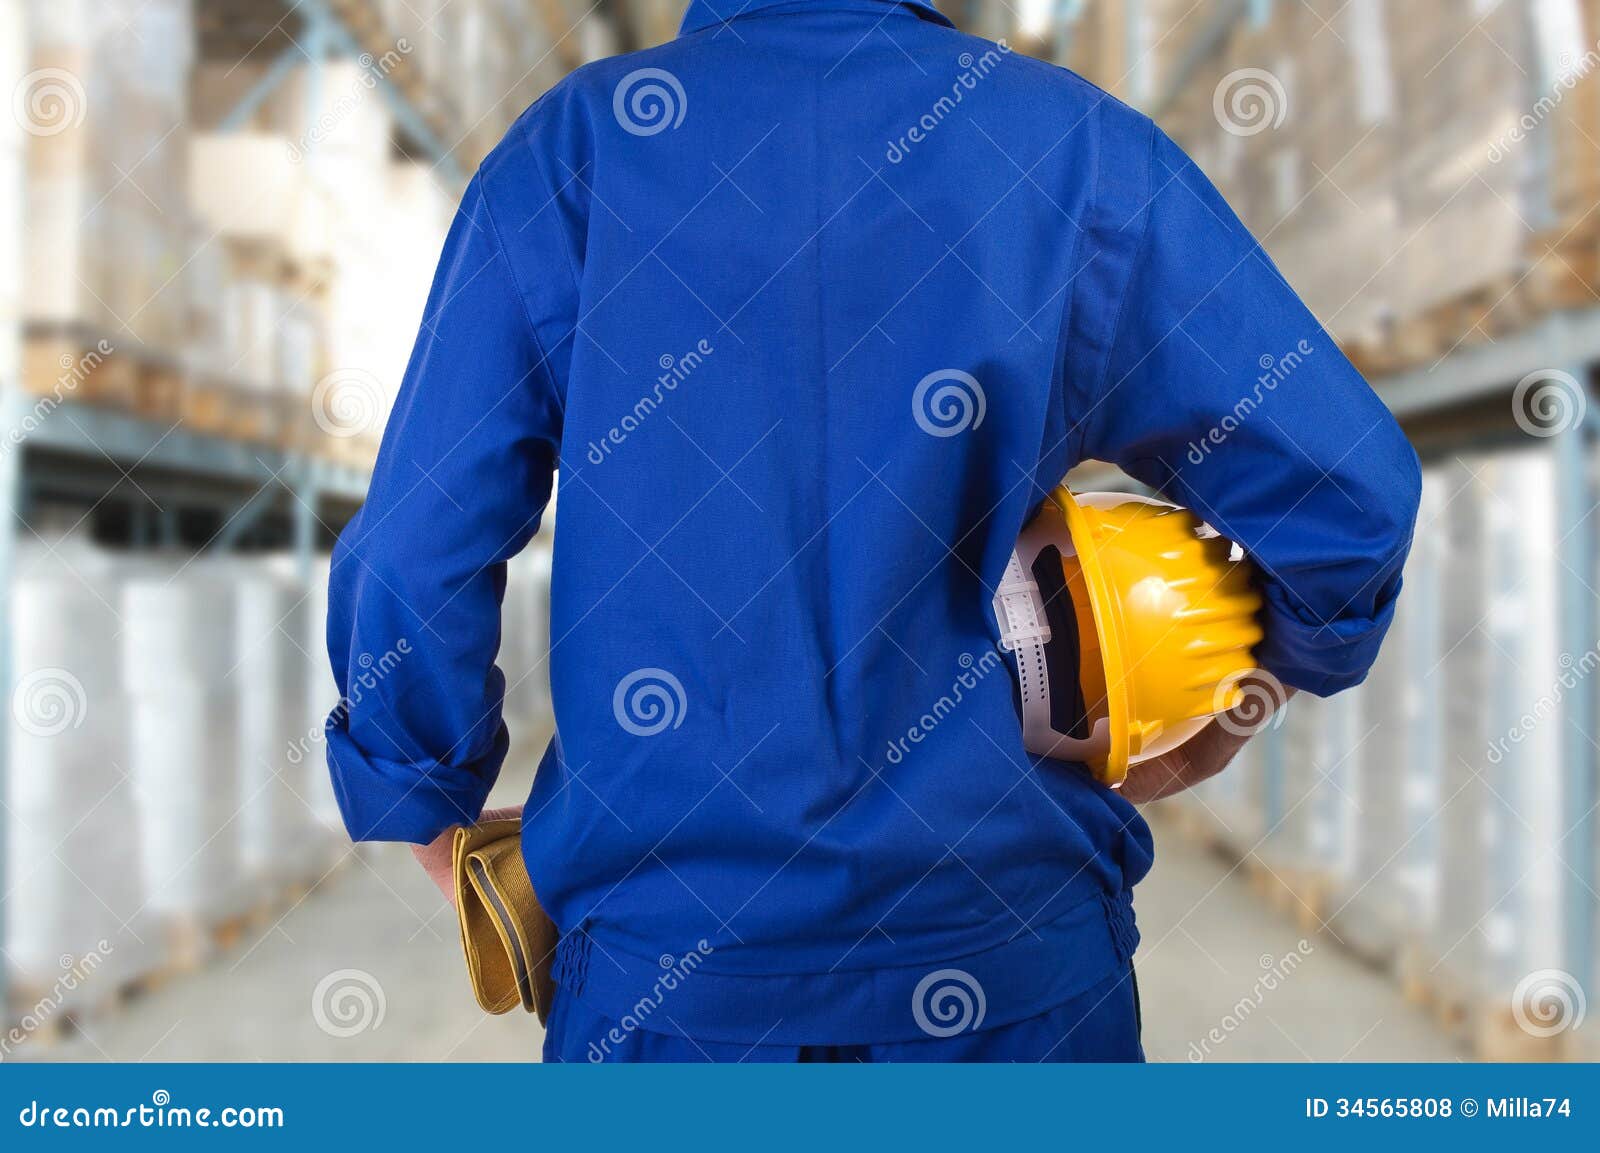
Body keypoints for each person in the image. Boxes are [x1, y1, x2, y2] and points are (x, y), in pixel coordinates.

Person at [326, 0, 1420, 1062]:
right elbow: (1349, 497)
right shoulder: (1075, 150)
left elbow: (418, 549)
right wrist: (1235, 697)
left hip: (669, 987)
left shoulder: (572, 155)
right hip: (1014, 976)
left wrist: (422, 791)